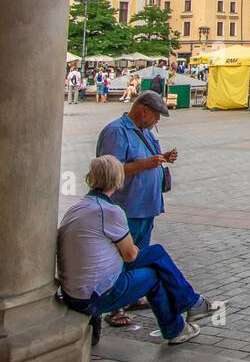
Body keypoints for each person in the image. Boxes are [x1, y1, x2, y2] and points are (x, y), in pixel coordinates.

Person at [57, 155, 216, 345]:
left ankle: (192, 304)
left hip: (74, 290)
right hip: (94, 294)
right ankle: (177, 326)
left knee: (156, 253)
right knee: (154, 274)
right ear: (118, 180)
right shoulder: (109, 211)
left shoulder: (78, 207)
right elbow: (130, 254)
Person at [95, 90, 176, 326]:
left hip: (146, 207)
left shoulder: (144, 132)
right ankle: (114, 307)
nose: (157, 121)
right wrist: (146, 164)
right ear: (143, 111)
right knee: (119, 257)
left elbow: (149, 158)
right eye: (156, 116)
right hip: (126, 208)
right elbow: (110, 169)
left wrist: (163, 157)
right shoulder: (116, 131)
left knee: (137, 255)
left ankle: (131, 295)